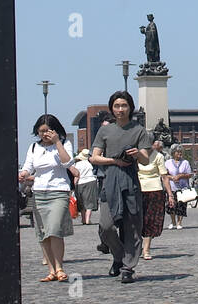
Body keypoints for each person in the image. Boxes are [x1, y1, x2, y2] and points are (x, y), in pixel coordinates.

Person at [90, 91, 151, 283]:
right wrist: (114, 161)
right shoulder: (105, 131)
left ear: (130, 107)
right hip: (110, 180)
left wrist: (135, 154)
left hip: (130, 180)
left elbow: (146, 159)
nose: (120, 109)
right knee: (106, 226)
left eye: (124, 105)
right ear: (112, 108)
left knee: (132, 226)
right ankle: (118, 255)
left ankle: (128, 267)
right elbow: (94, 156)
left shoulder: (139, 130)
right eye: (116, 106)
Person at [19, 114, 77, 282]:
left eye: (48, 131)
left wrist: (57, 142)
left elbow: (68, 163)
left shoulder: (64, 144)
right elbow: (29, 167)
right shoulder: (33, 147)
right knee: (43, 233)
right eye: (41, 131)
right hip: (39, 192)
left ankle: (59, 267)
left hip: (58, 191)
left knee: (55, 229)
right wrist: (23, 174)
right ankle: (51, 270)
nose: (44, 134)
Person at [138, 137, 174, 259]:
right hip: (138, 189)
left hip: (154, 190)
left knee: (150, 220)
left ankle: (146, 249)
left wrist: (170, 194)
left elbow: (164, 177)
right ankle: (138, 246)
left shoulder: (158, 156)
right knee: (137, 220)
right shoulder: (136, 155)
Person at [166, 144, 192, 228]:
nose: (180, 153)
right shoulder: (168, 163)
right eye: (178, 152)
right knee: (172, 205)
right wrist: (172, 177)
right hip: (172, 187)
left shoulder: (185, 162)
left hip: (182, 188)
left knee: (181, 205)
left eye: (181, 152)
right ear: (173, 153)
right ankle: (173, 221)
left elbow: (189, 174)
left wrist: (180, 176)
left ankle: (179, 222)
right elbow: (164, 174)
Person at [73, 147, 99, 224]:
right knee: (89, 201)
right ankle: (88, 219)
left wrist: (75, 185)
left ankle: (83, 219)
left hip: (80, 182)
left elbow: (76, 175)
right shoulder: (89, 164)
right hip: (90, 181)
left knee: (81, 202)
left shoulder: (77, 164)